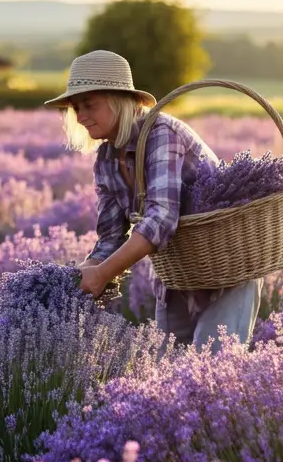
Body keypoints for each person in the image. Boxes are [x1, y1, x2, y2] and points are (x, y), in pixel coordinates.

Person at [45, 49, 262, 352]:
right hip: (179, 273)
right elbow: (110, 238)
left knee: (211, 369)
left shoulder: (162, 133)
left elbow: (161, 219)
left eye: (89, 105)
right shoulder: (107, 157)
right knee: (169, 375)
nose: (80, 117)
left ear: (118, 100)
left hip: (227, 269)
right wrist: (78, 278)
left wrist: (102, 275)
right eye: (75, 108)